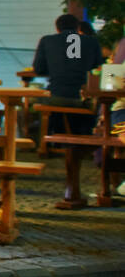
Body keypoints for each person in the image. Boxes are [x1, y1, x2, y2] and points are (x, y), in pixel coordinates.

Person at [33, 12, 104, 209]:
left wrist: (57, 69)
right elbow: (98, 67)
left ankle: (50, 142)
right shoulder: (90, 42)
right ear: (78, 27)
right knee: (85, 115)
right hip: (81, 99)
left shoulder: (47, 41)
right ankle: (81, 144)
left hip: (56, 98)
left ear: (57, 28)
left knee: (44, 101)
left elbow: (38, 69)